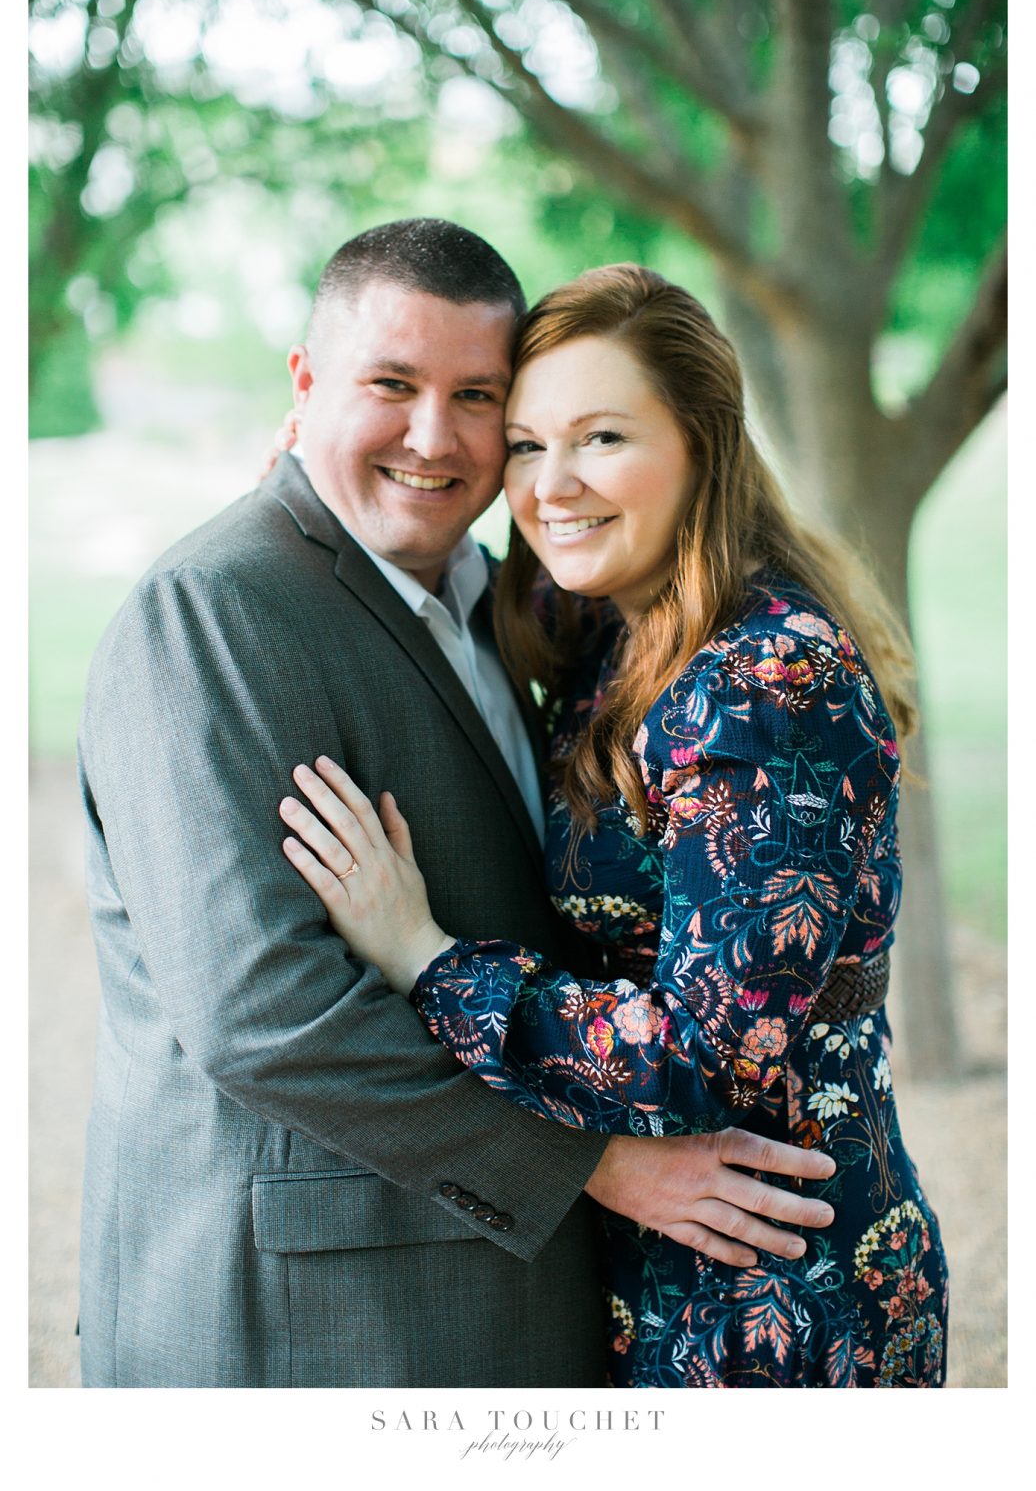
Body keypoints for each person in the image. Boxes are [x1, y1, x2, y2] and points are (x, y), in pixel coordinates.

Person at [76, 222, 835, 1388]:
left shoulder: (514, 596)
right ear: (305, 383)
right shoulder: (216, 611)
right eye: (390, 384)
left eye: (477, 396)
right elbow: (262, 1015)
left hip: (513, 1292)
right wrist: (600, 1166)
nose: (433, 436)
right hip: (316, 1319)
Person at [280, 262, 950, 1388]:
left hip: (781, 1285)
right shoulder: (609, 617)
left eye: (600, 438)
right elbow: (454, 555)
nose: (550, 485)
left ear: (701, 443)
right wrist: (314, 479)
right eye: (530, 443)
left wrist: (424, 958)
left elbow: (699, 1053)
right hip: (653, 1263)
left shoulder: (764, 682)